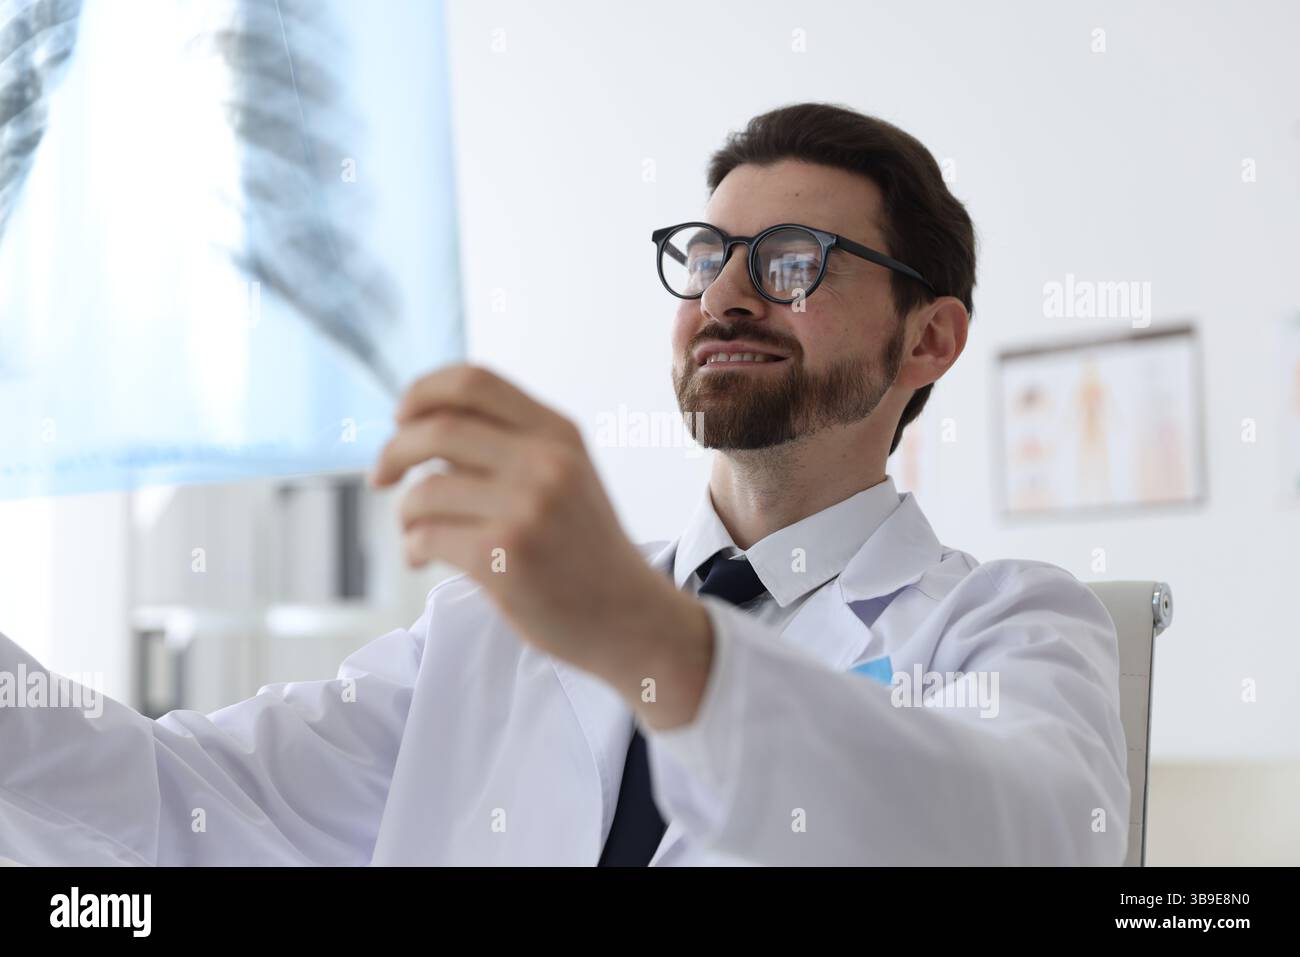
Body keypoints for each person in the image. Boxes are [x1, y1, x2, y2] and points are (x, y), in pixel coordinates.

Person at [0, 102, 1128, 866]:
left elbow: (1021, 831)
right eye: (704, 257)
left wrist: (655, 642)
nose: (726, 296)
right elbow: (181, 796)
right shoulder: (491, 625)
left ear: (928, 341)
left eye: (793, 263)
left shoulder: (1010, 623)